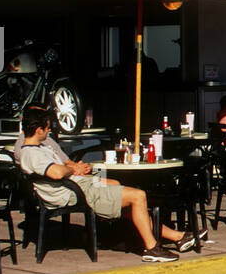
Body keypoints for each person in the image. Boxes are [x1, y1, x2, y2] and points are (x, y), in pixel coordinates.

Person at [17, 106, 205, 262]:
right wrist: (74, 170)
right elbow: (57, 172)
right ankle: (151, 248)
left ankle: (174, 236)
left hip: (80, 184)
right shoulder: (31, 153)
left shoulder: (42, 146)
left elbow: (62, 166)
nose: (50, 130)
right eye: (48, 127)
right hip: (77, 191)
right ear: (38, 129)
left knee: (116, 183)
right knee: (138, 196)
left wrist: (77, 168)